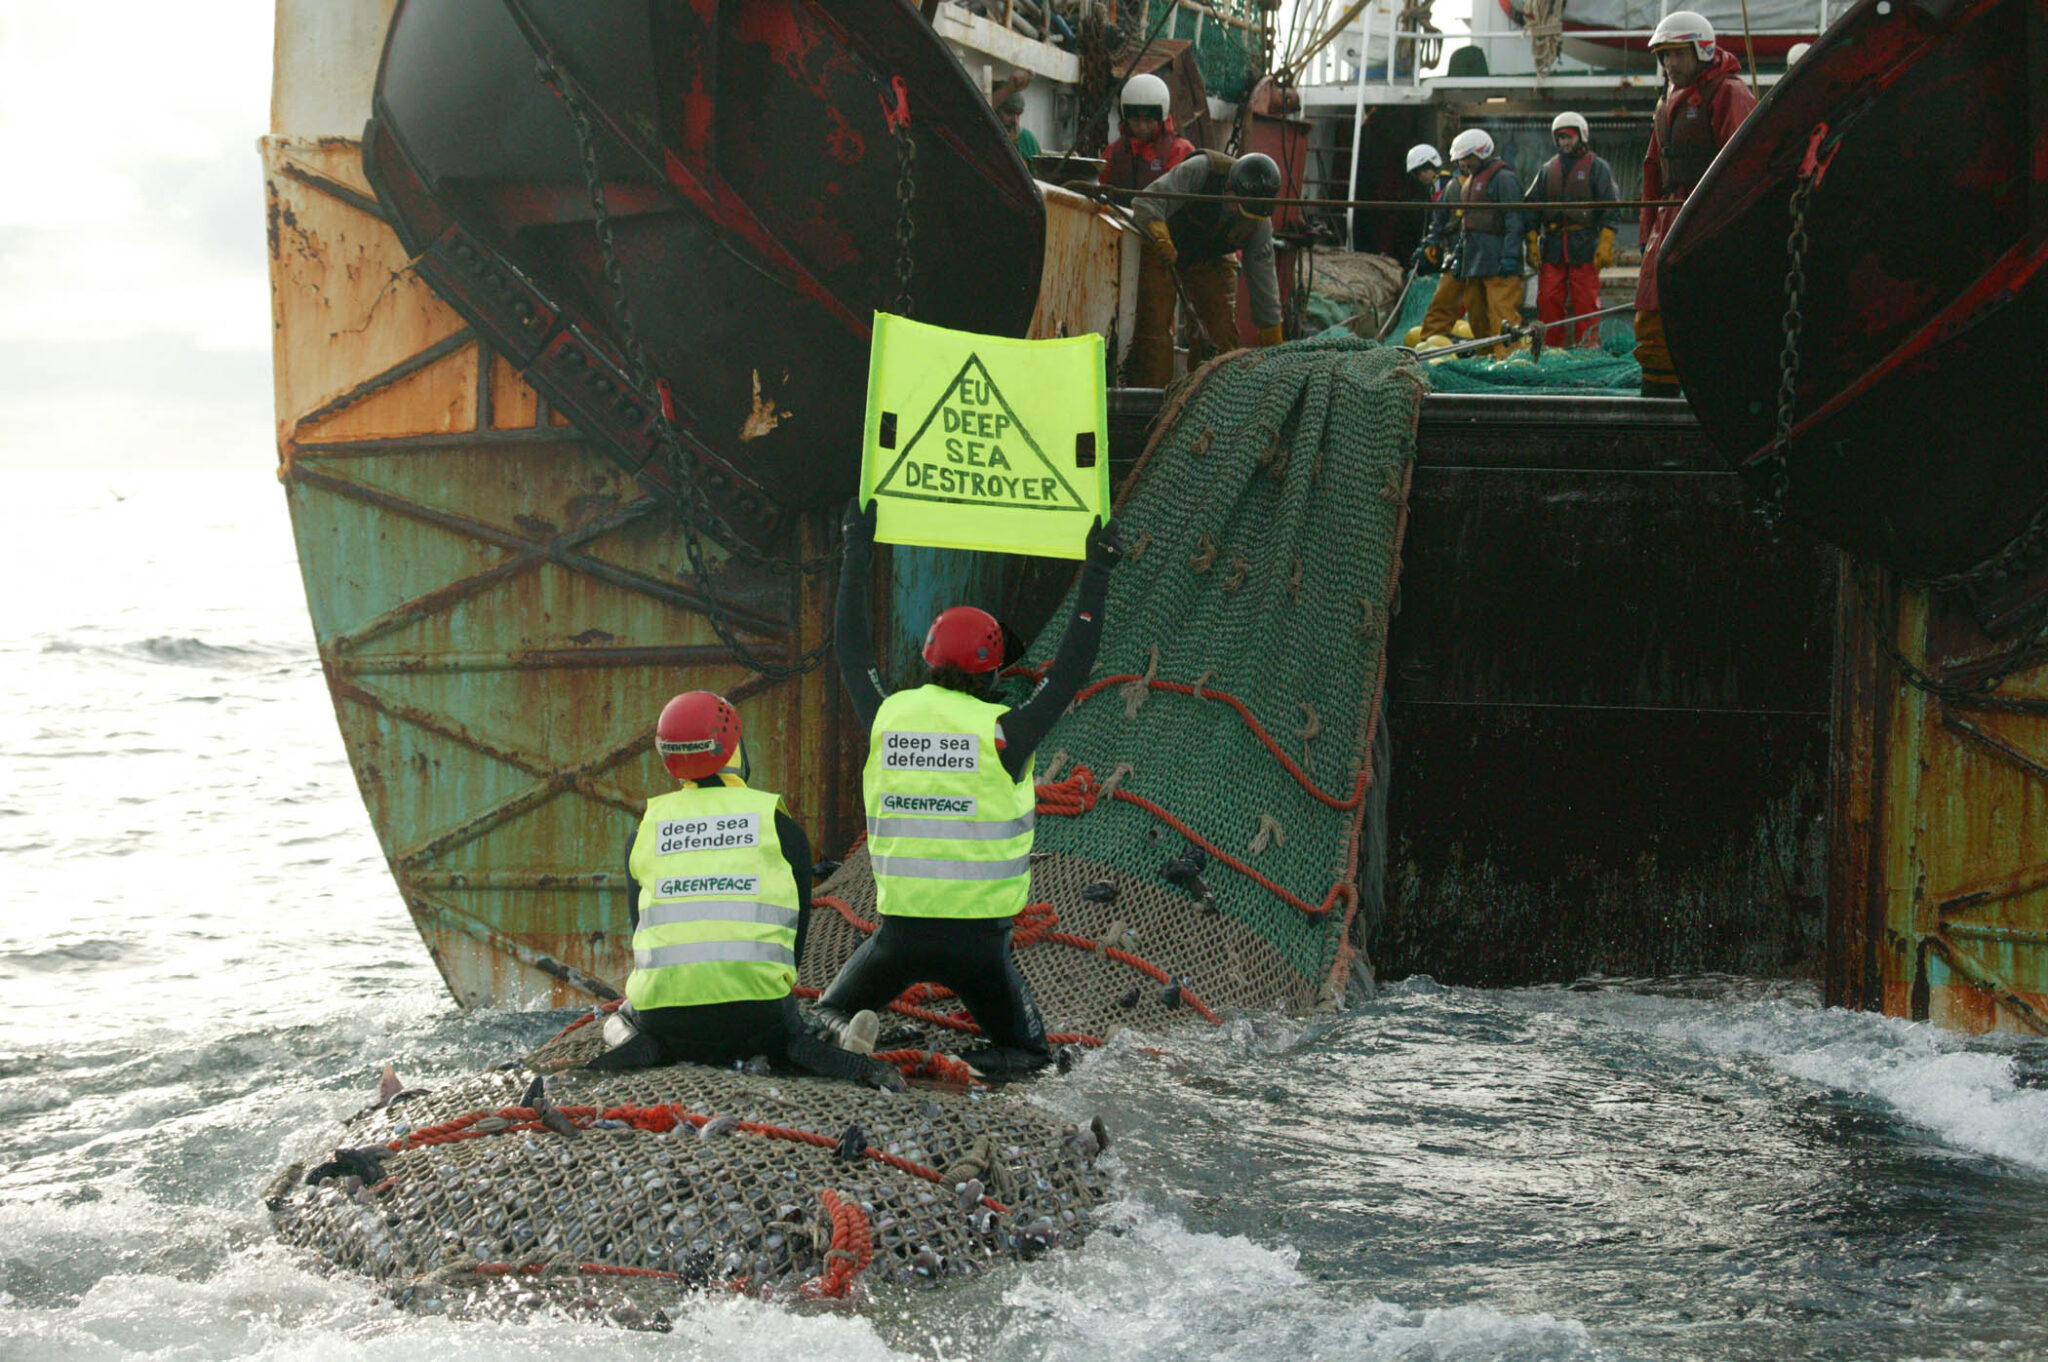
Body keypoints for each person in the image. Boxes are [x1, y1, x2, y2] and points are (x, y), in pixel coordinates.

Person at [815, 500, 1123, 1076]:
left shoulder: (888, 718)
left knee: (830, 1011)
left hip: (900, 935)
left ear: (929, 660)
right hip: (981, 946)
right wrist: (1097, 573)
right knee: (1031, 1053)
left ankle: (854, 1039)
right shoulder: (1006, 733)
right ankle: (958, 1068)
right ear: (991, 674)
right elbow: (1071, 670)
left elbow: (852, 651)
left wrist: (856, 547)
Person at [589, 691, 903, 1090]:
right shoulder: (777, 823)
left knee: (618, 1018)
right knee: (794, 1026)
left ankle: (637, 1044)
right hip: (760, 1022)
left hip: (667, 1025)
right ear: (733, 746)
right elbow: (794, 945)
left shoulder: (645, 829)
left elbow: (642, 934)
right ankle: (836, 1044)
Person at [1636, 11, 1756, 396]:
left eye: (1678, 54)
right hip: (1668, 219)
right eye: (1664, 55)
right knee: (1652, 312)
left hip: (1708, 219)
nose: (1670, 64)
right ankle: (1658, 395)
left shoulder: (1729, 93)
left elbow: (1743, 167)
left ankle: (1716, 396)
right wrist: (1646, 231)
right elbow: (1652, 168)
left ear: (1701, 51)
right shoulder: (1665, 102)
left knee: (1709, 309)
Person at [1126, 151, 1287, 386]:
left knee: (1221, 336)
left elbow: (1264, 282)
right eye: (1237, 206)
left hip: (1211, 259)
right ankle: (1150, 398)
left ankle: (1209, 396)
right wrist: (1161, 237)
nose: (1238, 215)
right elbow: (1146, 201)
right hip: (1164, 246)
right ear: (1229, 187)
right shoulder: (1201, 169)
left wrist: (1273, 338)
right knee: (1153, 331)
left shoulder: (1259, 221)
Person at [1417, 128, 1528, 356]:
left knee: (1502, 314)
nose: (1465, 163)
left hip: (1499, 263)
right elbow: (1466, 226)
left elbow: (1515, 220)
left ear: (1482, 152)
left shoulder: (1504, 179)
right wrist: (1460, 256)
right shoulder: (1469, 184)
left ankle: (1510, 361)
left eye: (1468, 158)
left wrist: (1510, 255)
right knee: (1477, 315)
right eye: (1462, 159)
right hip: (1476, 261)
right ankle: (1486, 356)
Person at [1524, 112, 1618, 348]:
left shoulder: (1598, 167)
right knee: (1548, 300)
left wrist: (1605, 244)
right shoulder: (1547, 170)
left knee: (1585, 301)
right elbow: (1531, 208)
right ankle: (1550, 349)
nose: (1565, 142)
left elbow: (1610, 209)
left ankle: (1588, 348)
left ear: (1581, 136)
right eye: (1561, 138)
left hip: (1584, 246)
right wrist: (1532, 242)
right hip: (1553, 247)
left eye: (1569, 137)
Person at [1404, 143, 1464, 334]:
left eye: (1423, 170)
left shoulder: (1443, 184)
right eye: (1417, 173)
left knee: (1453, 293)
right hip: (1453, 243)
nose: (1421, 176)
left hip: (1456, 244)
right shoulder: (1440, 184)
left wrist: (1433, 242)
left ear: (1432, 165)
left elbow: (1444, 219)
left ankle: (1449, 330)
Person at [1100, 72, 1195, 191]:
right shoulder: (1113, 152)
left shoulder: (1180, 151)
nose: (1142, 127)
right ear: (1126, 118)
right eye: (1135, 120)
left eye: (1148, 120)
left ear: (1161, 117)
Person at [993, 70, 1041, 159]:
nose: (1015, 121)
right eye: (1009, 112)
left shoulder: (1027, 140)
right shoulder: (983, 138)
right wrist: (1008, 88)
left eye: (1018, 114)